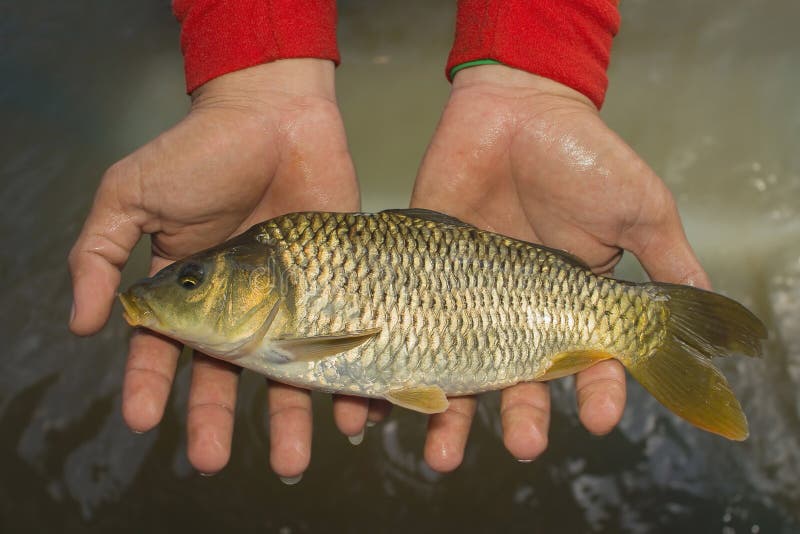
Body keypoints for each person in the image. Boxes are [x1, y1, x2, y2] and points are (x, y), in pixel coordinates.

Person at [68, 0, 711, 480]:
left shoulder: (283, 321)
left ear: (254, 276)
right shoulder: (280, 294)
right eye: (192, 280)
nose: (179, 285)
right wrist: (253, 69)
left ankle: (646, 326)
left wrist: (534, 57)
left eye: (194, 279)